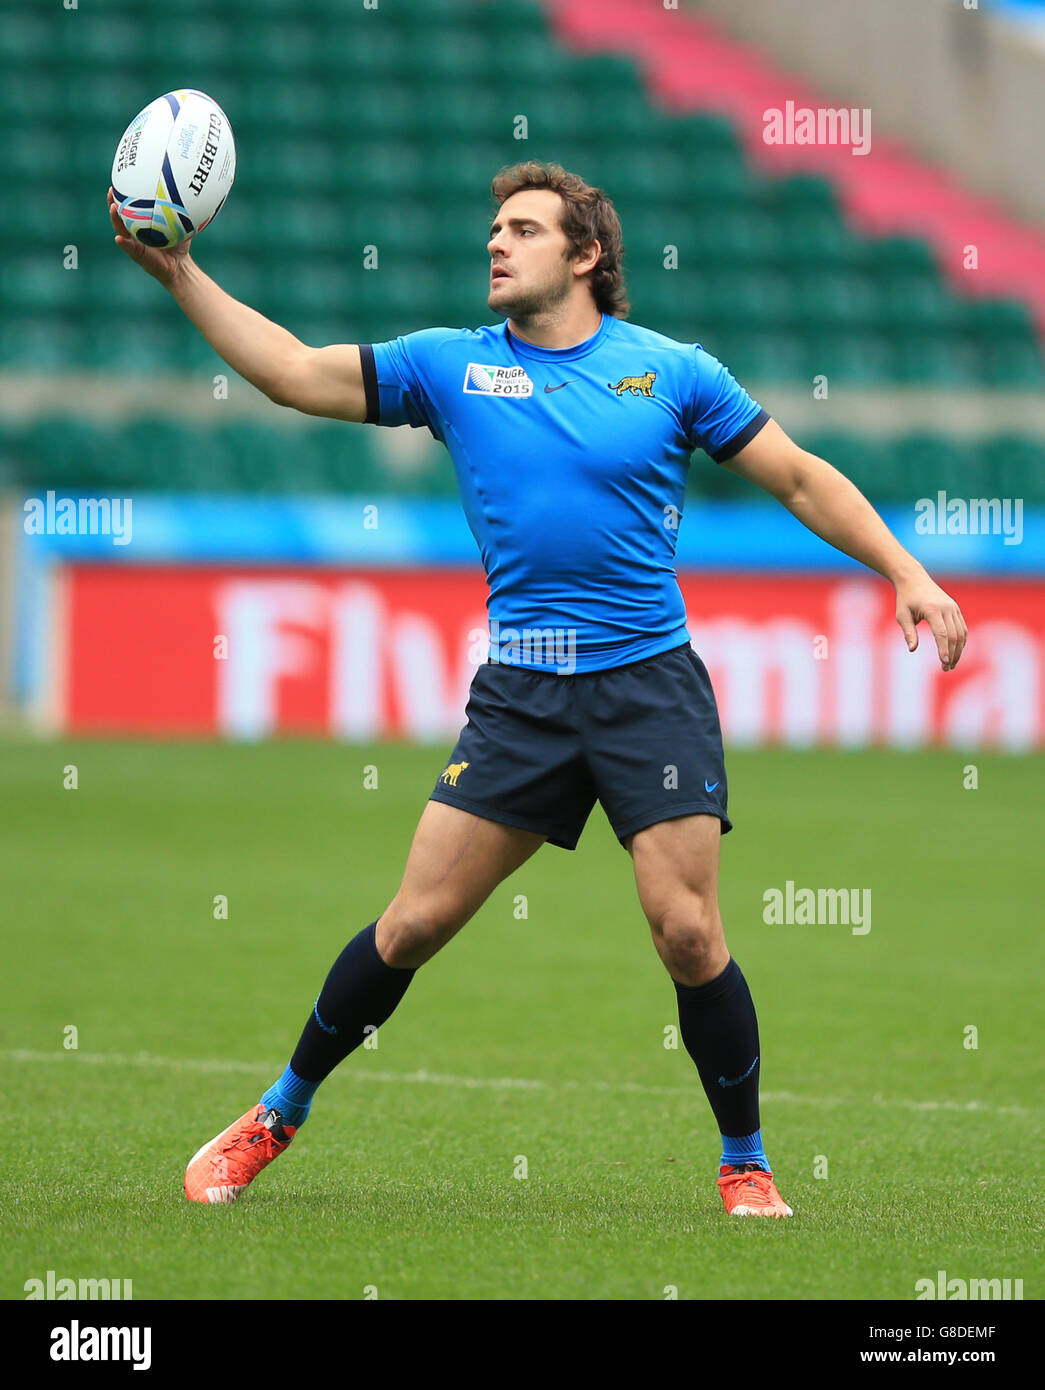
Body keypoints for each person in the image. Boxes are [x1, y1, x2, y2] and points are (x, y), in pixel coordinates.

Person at [109, 161, 966, 1217]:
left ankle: (744, 1159)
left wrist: (906, 570)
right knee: (412, 925)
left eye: (521, 229)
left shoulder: (673, 373)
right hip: (523, 694)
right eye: (493, 230)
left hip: (649, 688)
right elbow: (289, 371)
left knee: (688, 932)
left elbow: (796, 475)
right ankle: (275, 1114)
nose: (496, 243)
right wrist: (180, 273)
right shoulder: (447, 369)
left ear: (586, 254)